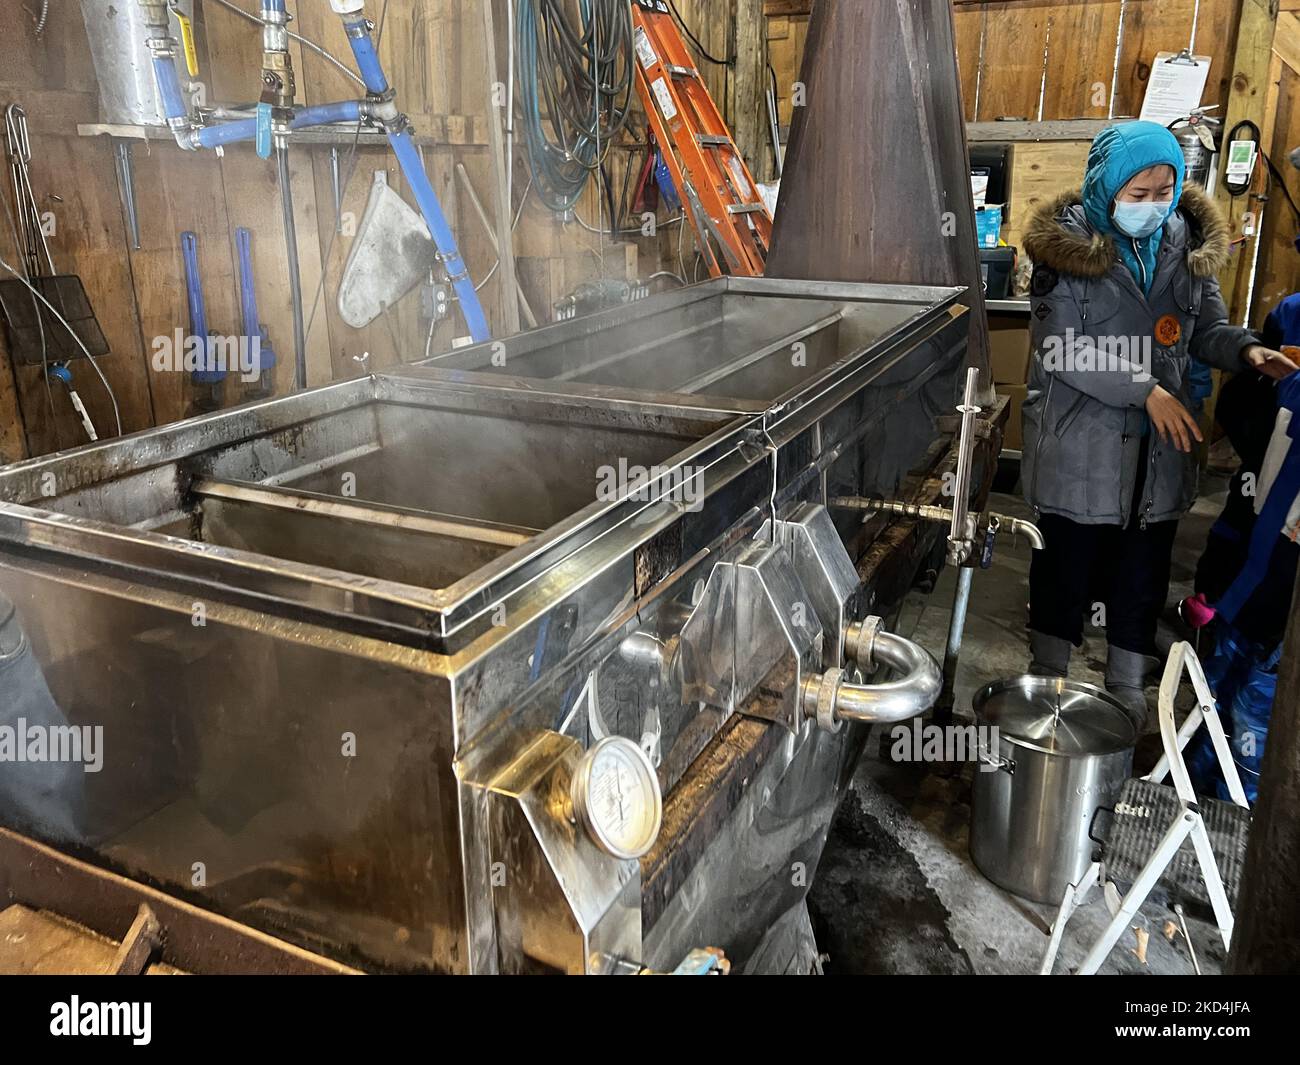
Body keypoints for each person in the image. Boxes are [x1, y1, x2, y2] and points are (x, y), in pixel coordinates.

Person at [1019, 121, 1298, 715]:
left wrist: (1247, 351)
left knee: (1141, 572)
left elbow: (1208, 332)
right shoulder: (1065, 253)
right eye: (1137, 194)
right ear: (1106, 186)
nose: (1152, 207)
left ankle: (1126, 694)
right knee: (1065, 569)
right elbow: (1059, 348)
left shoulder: (1186, 250)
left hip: (1158, 450)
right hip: (1081, 447)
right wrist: (1145, 389)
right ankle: (1045, 683)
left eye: (1163, 193)